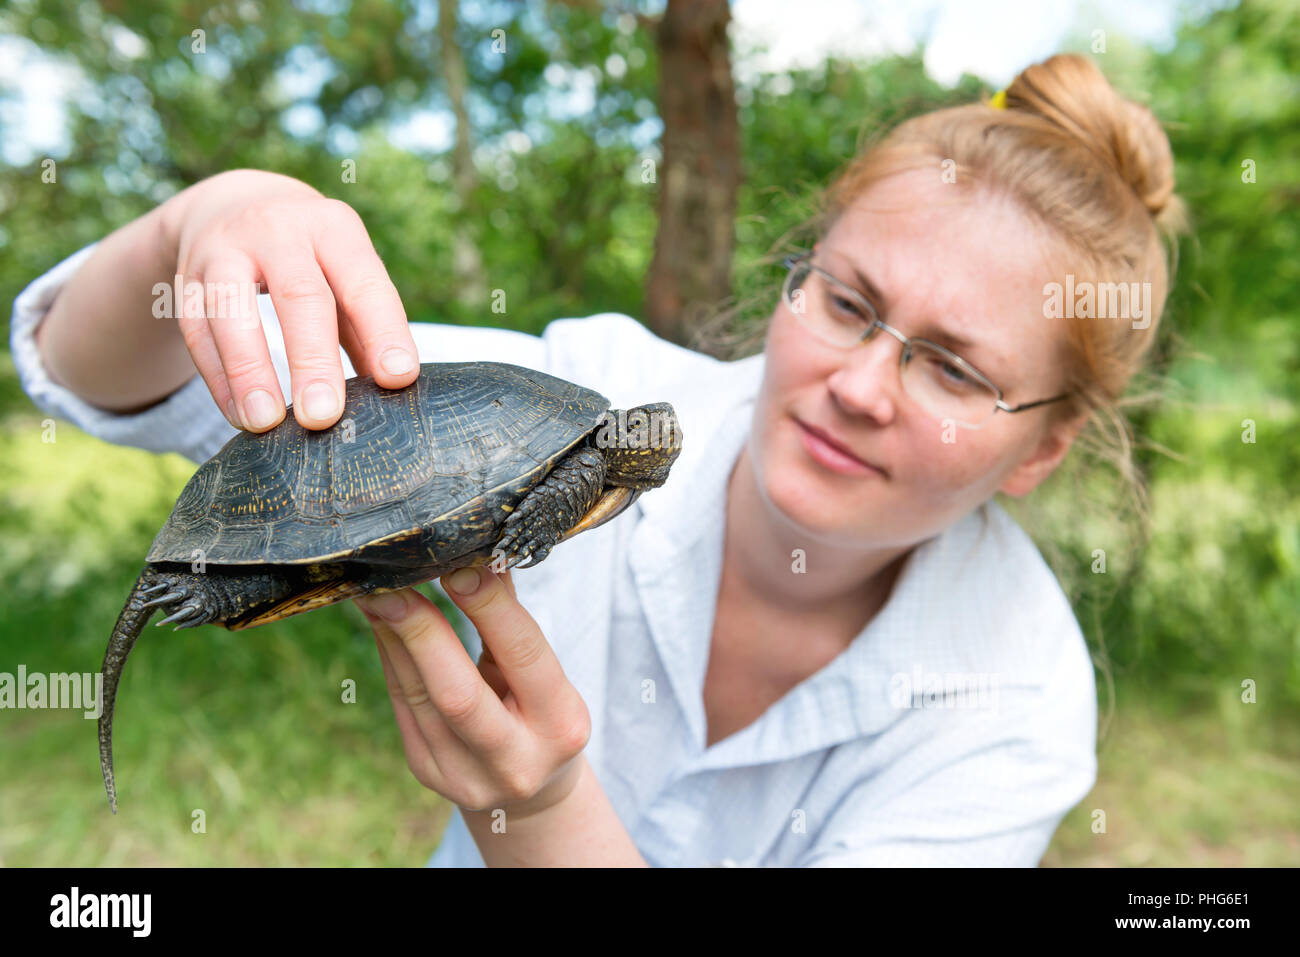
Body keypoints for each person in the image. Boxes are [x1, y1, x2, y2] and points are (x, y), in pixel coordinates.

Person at [10, 53, 1187, 866]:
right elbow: (105, 375)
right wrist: (200, 224)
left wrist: (545, 811)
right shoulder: (597, 396)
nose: (861, 386)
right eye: (845, 301)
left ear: (1042, 446)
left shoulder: (1013, 704)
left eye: (953, 370)